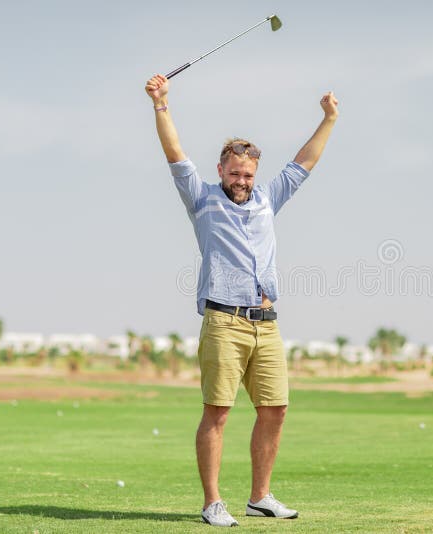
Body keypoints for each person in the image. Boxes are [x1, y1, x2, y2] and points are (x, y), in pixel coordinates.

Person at [144, 73, 338, 527]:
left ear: (256, 173)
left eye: (247, 173)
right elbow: (175, 154)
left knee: (275, 409)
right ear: (221, 171)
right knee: (218, 412)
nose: (241, 180)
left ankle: (259, 497)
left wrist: (328, 119)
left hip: (266, 322)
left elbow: (304, 163)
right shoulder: (202, 199)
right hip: (224, 322)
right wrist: (161, 104)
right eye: (234, 173)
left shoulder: (268, 198)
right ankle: (213, 502)